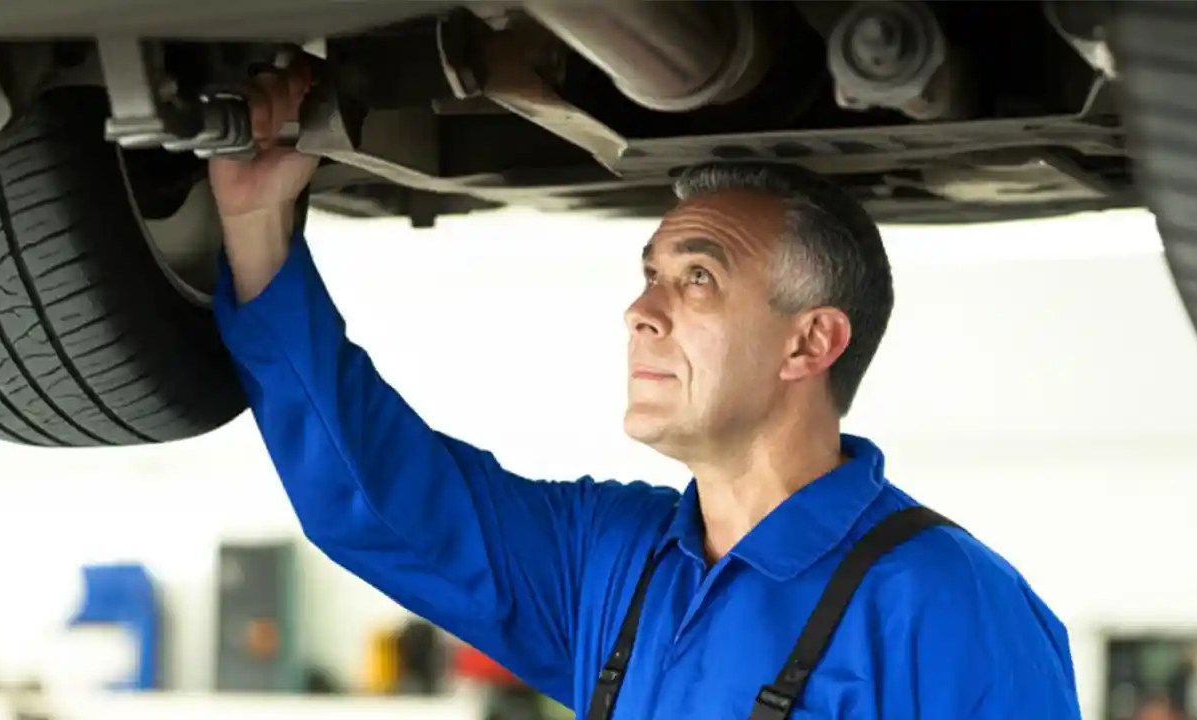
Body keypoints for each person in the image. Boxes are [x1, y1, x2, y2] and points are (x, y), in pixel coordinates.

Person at [207, 67, 1082, 718]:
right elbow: (381, 502)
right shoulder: (615, 562)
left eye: (698, 278)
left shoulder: (951, 603)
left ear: (810, 341)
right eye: (649, 273)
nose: (639, 311)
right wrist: (255, 224)